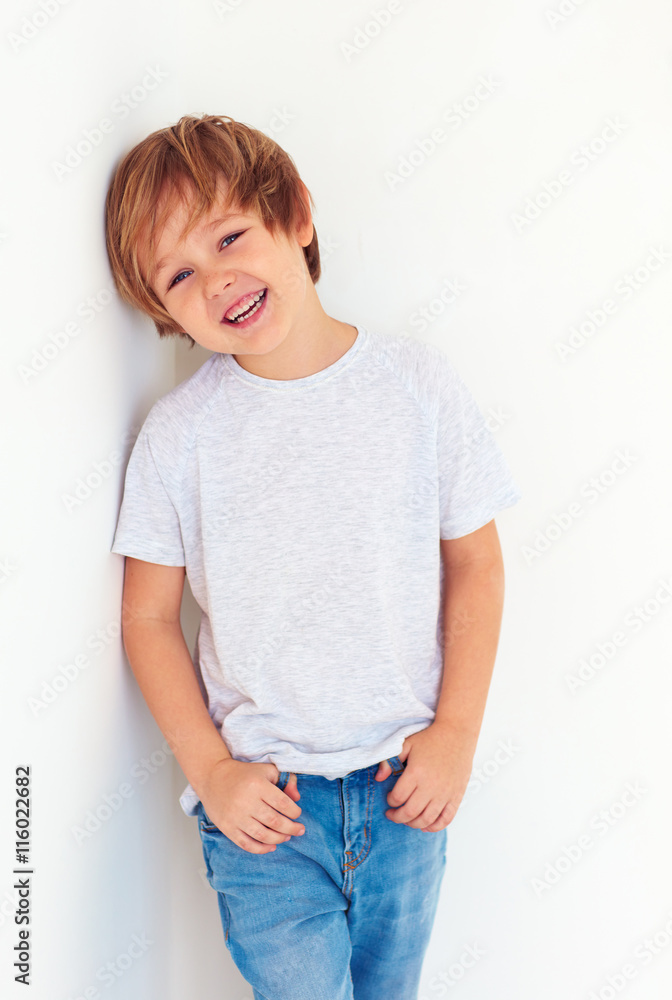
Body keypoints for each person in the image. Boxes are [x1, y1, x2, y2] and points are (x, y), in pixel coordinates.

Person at [105, 113, 522, 1000]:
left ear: (294, 214)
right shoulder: (180, 436)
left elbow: (477, 566)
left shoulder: (417, 387)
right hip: (267, 816)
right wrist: (210, 770)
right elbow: (145, 617)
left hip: (405, 788)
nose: (217, 280)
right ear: (160, 309)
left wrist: (456, 734)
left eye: (230, 237)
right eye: (181, 274)